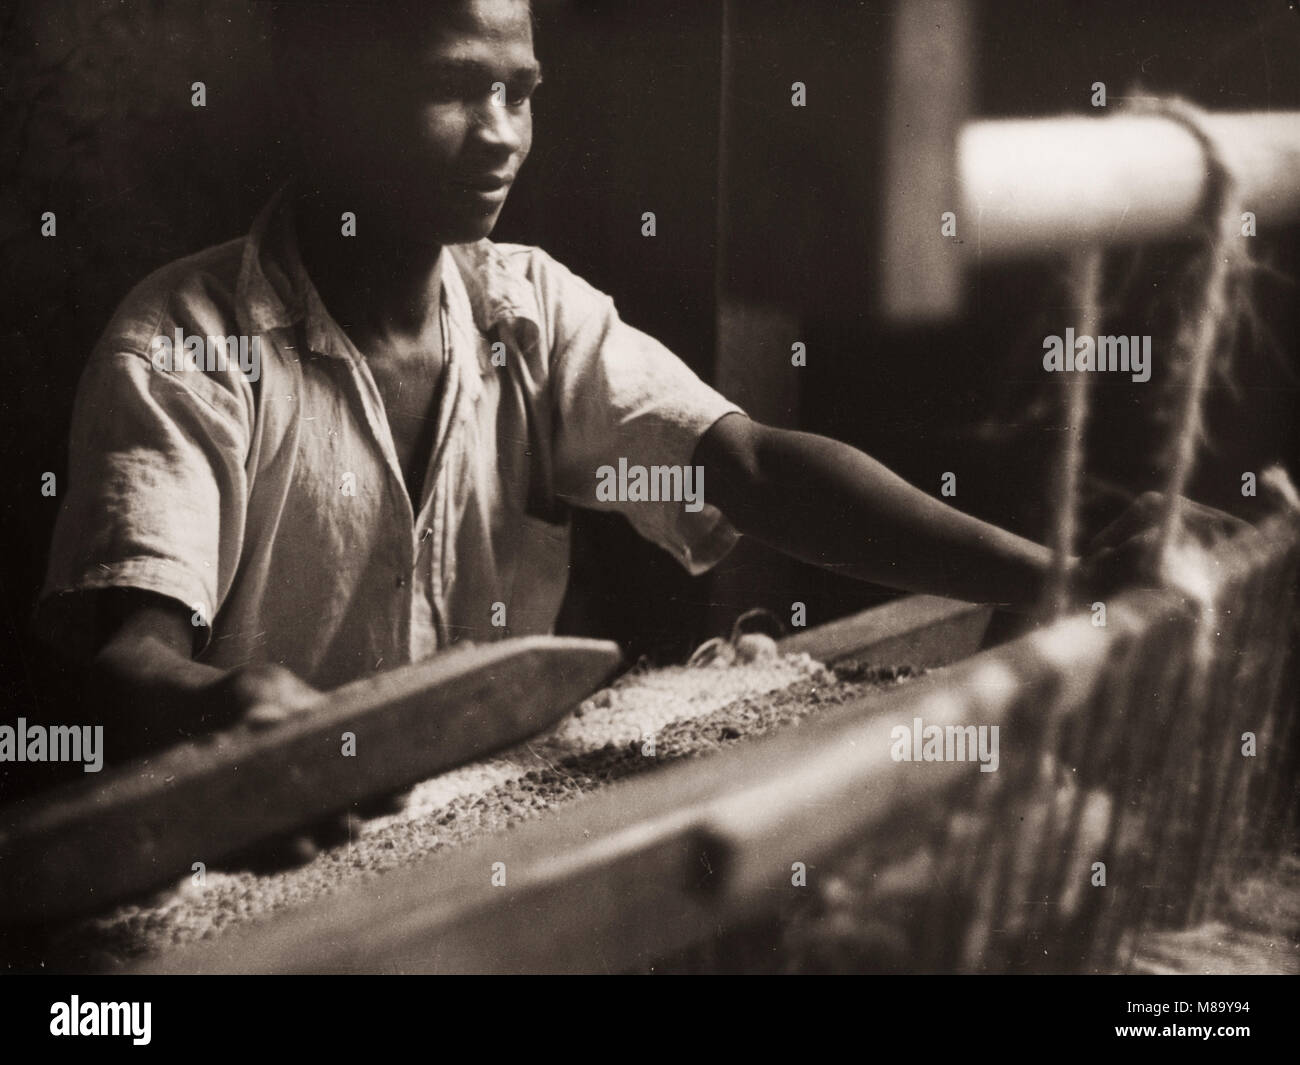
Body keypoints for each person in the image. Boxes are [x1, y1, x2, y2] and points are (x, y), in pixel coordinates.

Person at [38, 0, 1235, 794]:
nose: (502, 135)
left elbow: (748, 469)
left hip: (465, 848)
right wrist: (234, 715)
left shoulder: (526, 313)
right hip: (245, 895)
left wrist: (1058, 577)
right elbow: (122, 668)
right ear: (323, 97)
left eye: (524, 90)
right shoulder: (184, 344)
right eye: (459, 90)